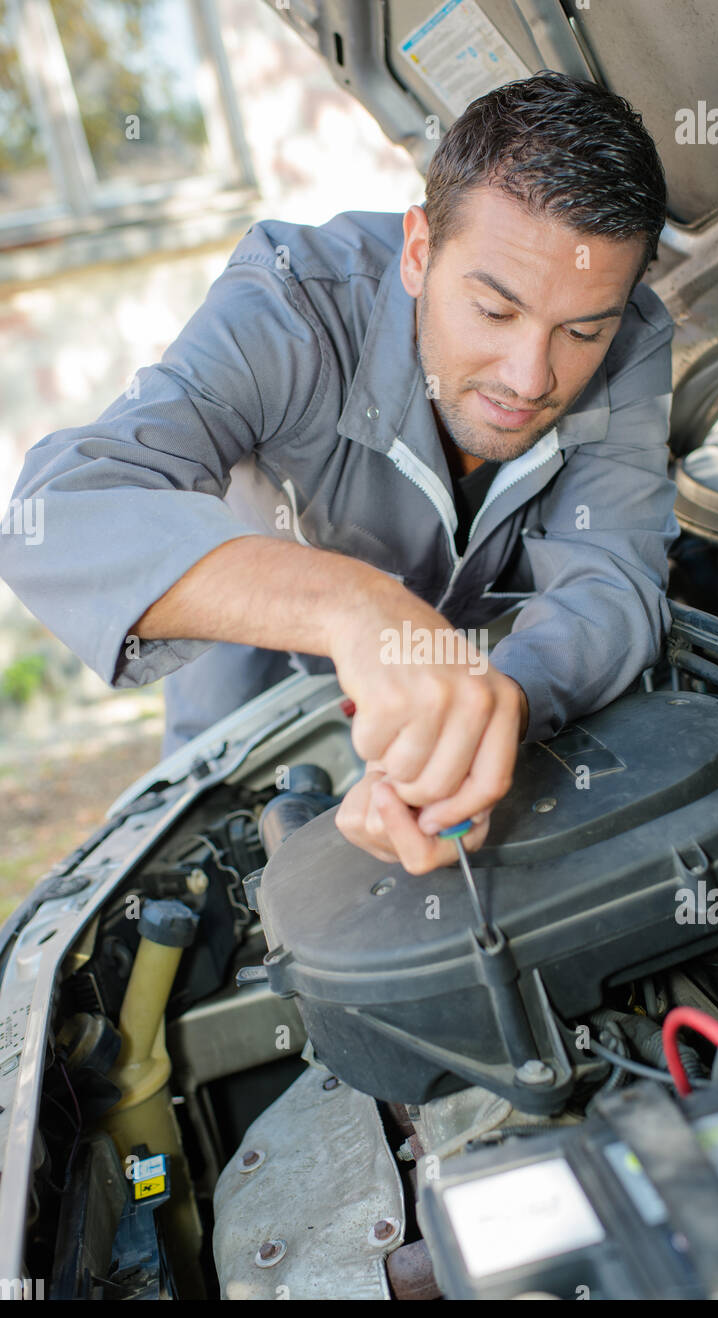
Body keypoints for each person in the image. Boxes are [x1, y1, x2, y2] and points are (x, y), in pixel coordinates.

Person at [0, 70, 677, 875]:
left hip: (460, 656)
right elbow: (60, 510)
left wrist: (496, 702)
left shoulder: (631, 338)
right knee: (210, 857)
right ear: (419, 251)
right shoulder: (289, 304)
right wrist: (356, 607)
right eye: (494, 312)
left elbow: (611, 578)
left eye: (579, 332)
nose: (530, 378)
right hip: (249, 642)